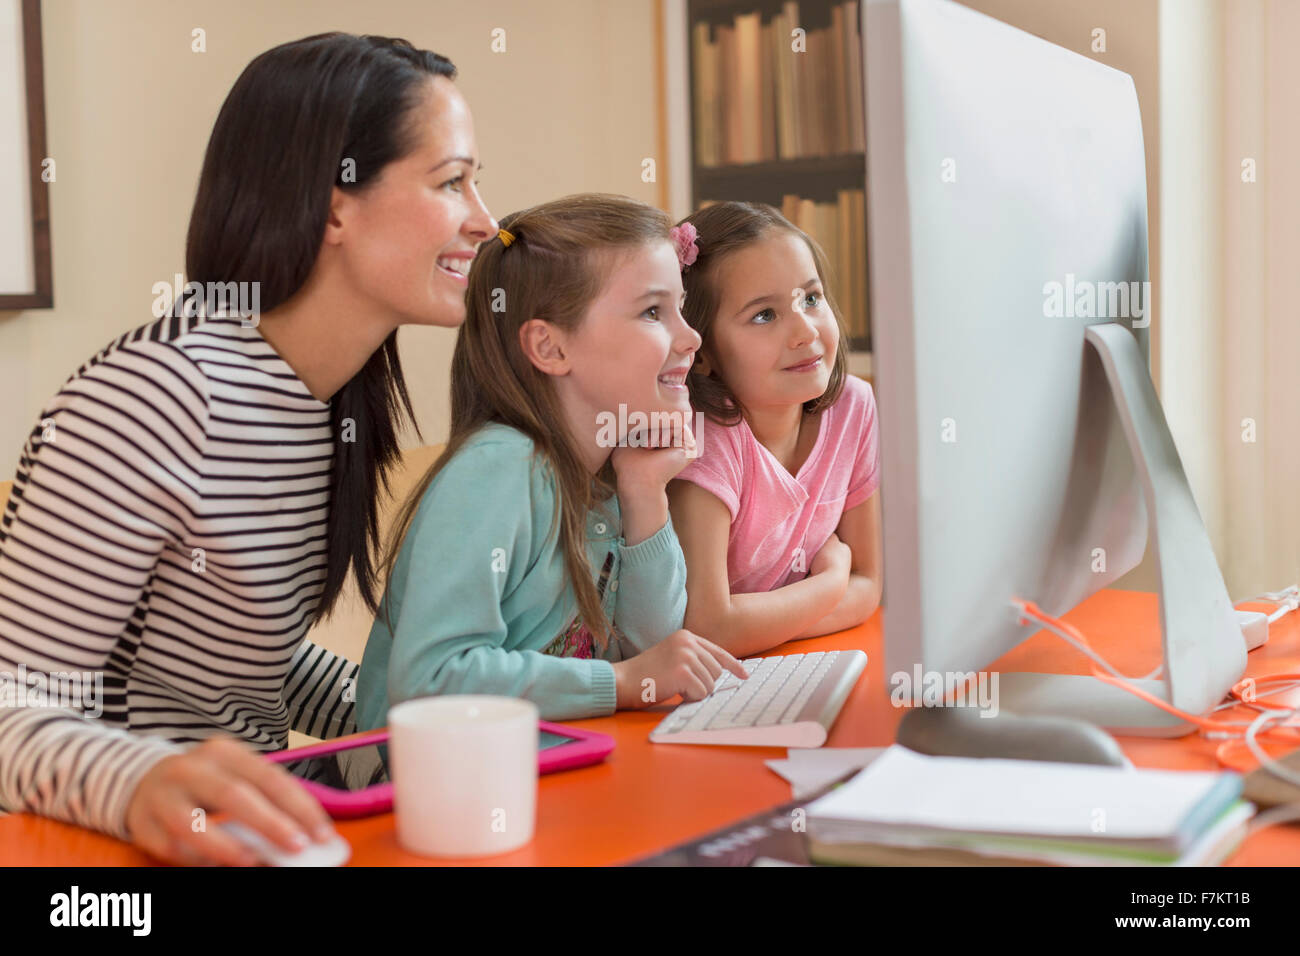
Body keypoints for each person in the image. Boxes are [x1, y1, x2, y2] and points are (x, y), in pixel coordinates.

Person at [0, 32, 495, 866]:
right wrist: (145, 785)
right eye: (452, 182)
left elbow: (245, 662)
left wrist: (420, 713)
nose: (485, 220)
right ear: (335, 201)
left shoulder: (327, 399)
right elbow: (14, 709)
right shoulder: (153, 396)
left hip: (257, 834)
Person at [356, 193, 746, 735]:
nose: (692, 336)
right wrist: (623, 683)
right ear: (550, 348)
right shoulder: (500, 469)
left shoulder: (610, 471)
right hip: (426, 795)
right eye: (654, 311)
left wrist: (643, 492)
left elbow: (658, 654)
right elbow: (433, 677)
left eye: (680, 308)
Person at [667, 202, 883, 657]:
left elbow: (870, 586)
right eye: (764, 315)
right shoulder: (705, 436)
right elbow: (706, 629)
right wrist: (828, 586)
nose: (805, 331)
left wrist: (762, 623)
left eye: (810, 298)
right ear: (701, 352)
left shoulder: (853, 407)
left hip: (795, 662)